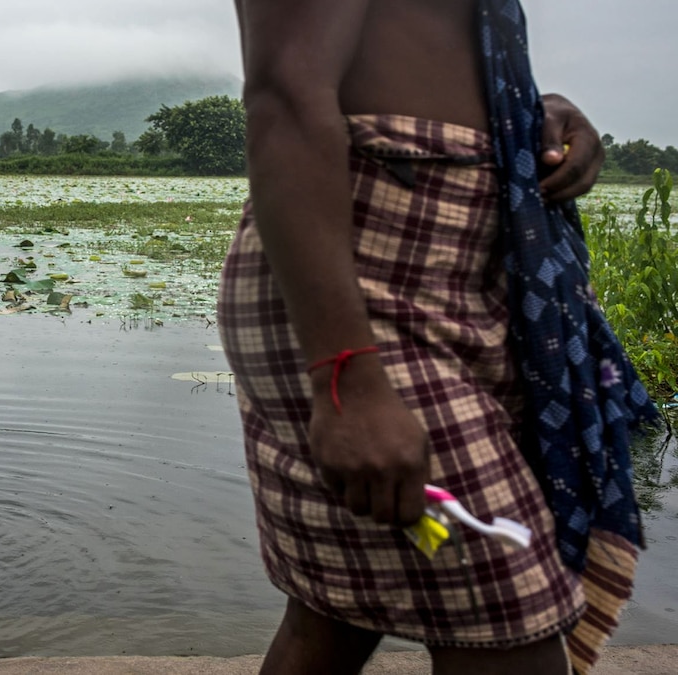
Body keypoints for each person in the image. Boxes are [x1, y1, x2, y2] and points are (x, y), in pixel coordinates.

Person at [218, 1, 657, 674]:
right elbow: (285, 90)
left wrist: (533, 115)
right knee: (515, 624)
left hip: (463, 271)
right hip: (362, 281)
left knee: (333, 616)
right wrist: (346, 375)